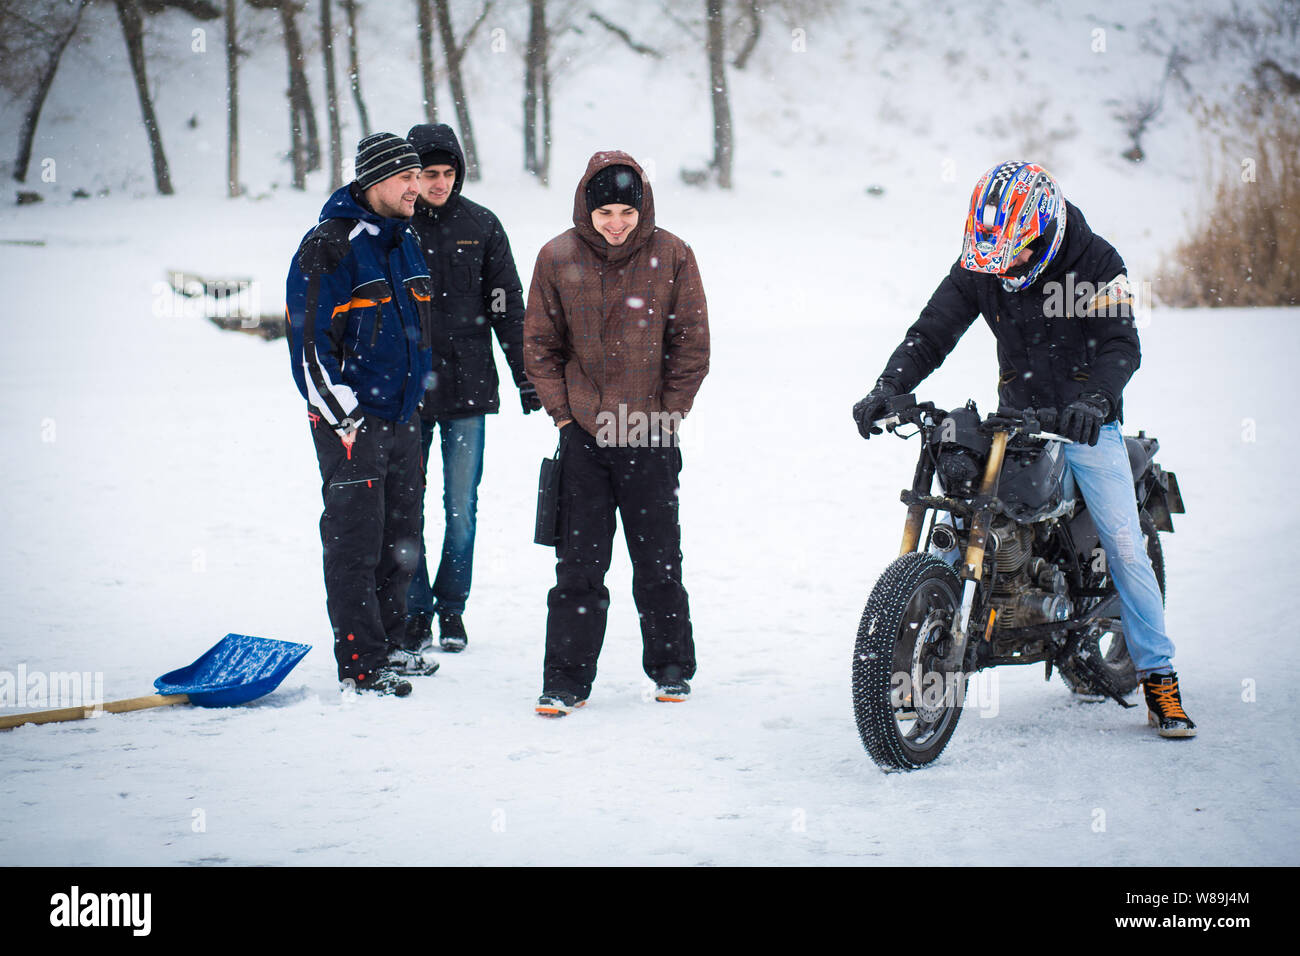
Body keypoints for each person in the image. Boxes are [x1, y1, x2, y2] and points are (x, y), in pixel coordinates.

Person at [851, 160, 1195, 738]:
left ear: (1040, 232)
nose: (997, 265)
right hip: (1017, 414)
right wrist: (890, 386)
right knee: (965, 510)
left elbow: (1119, 345)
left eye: (1008, 254)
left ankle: (1158, 674)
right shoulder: (984, 260)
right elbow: (932, 331)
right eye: (988, 253)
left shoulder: (1096, 263)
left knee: (1125, 545)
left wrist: (1095, 402)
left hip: (1085, 422)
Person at [524, 152, 710, 717]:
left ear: (641, 208)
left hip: (650, 434)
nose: (615, 223)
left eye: (625, 211)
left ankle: (672, 668)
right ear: (587, 206)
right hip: (583, 437)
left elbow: (692, 347)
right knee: (578, 567)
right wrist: (562, 416)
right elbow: (540, 347)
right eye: (604, 211)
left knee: (658, 562)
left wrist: (667, 415)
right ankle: (565, 681)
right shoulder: (556, 257)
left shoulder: (672, 255)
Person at [285, 132, 449, 697]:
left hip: (404, 417)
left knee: (403, 537)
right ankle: (360, 664)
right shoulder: (329, 245)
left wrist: (416, 399)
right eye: (406, 178)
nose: (418, 187)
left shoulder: (405, 239)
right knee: (356, 541)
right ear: (376, 182)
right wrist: (344, 416)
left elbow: (416, 331)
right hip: (351, 424)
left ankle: (396, 645)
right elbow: (310, 348)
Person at [400, 123, 541, 654]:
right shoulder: (397, 226)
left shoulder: (481, 225)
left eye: (448, 173)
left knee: (461, 505)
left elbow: (508, 306)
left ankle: (452, 610)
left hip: (468, 389)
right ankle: (415, 612)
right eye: (429, 173)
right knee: (406, 507)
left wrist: (526, 376)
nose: (439, 183)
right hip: (406, 393)